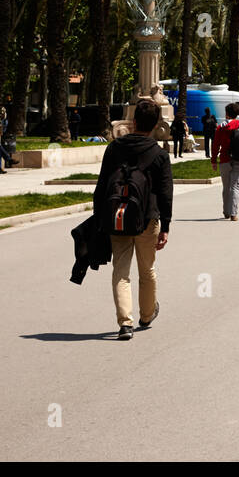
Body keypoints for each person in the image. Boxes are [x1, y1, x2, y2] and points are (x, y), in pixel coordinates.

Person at [93, 98, 173, 340]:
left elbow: (102, 185)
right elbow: (166, 192)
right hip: (147, 217)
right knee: (147, 269)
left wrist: (100, 217)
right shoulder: (159, 154)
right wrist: (165, 225)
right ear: (155, 124)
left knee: (121, 270)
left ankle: (125, 323)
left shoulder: (114, 148)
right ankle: (147, 314)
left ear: (134, 121)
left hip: (118, 217)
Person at [210, 102, 239, 221]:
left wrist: (214, 160)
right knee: (235, 186)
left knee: (226, 187)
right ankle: (234, 213)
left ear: (227, 114)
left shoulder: (221, 128)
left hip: (224, 159)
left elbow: (215, 145)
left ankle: (226, 212)